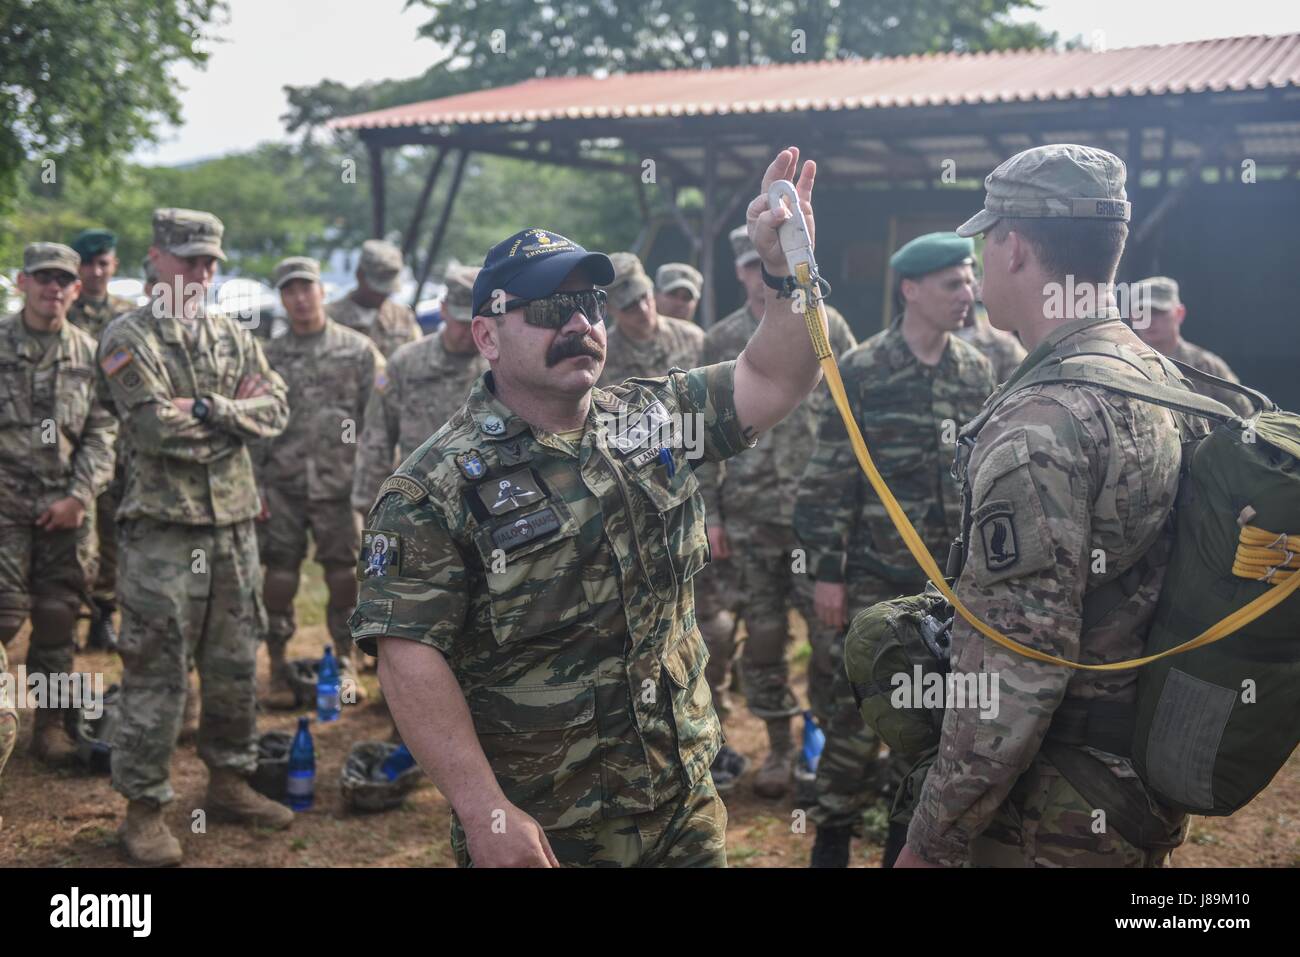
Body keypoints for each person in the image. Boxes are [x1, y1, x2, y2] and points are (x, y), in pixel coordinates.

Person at [351, 149, 833, 867]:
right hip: (551, 827)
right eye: (550, 309)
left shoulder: (658, 416)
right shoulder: (433, 488)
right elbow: (407, 658)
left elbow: (778, 371)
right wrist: (485, 810)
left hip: (682, 799)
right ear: (487, 334)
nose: (579, 322)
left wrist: (786, 266)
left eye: (589, 305)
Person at [896, 145, 1192, 868]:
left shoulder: (1039, 425)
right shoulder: (1160, 376)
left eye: (984, 241)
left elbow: (1015, 669)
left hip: (1049, 811)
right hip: (1134, 789)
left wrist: (931, 841)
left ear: (1014, 246)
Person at [99, 208, 293, 866]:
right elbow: (153, 427)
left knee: (236, 662)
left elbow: (277, 409)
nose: (201, 271)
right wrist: (236, 422)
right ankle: (144, 808)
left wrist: (211, 409)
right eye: (188, 259)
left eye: (210, 260)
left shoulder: (234, 338)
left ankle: (231, 781)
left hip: (233, 526)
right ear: (157, 259)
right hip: (163, 532)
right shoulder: (126, 337)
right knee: (157, 669)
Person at [796, 232, 997, 866]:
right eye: (952, 284)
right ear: (911, 289)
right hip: (873, 577)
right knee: (855, 712)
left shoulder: (978, 369)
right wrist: (827, 575)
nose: (967, 294)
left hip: (948, 587)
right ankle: (830, 835)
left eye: (969, 281)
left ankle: (901, 843)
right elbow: (828, 478)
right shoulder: (861, 369)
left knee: (931, 719)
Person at [700, 224, 856, 800]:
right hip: (750, 516)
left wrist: (849, 506)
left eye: (760, 261)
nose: (753, 270)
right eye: (746, 263)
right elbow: (701, 435)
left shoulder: (828, 324)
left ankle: (820, 743)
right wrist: (713, 514)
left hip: (815, 519)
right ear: (741, 270)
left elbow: (851, 413)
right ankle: (779, 749)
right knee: (764, 640)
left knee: (828, 639)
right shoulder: (720, 338)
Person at [0, 243, 117, 764]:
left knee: (57, 618)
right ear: (23, 282)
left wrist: (78, 495)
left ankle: (49, 727)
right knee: (3, 615)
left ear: (76, 288)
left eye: (63, 280)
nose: (54, 288)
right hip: (3, 503)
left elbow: (103, 432)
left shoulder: (92, 354)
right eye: (43, 278)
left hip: (67, 509)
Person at [255, 256, 384, 709]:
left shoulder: (358, 350)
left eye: (307, 288)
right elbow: (254, 425)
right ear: (282, 298)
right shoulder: (267, 356)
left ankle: (346, 663)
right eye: (290, 290)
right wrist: (255, 485)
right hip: (282, 484)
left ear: (323, 292)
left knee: (344, 575)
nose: (300, 298)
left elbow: (379, 420)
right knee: (280, 574)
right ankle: (275, 665)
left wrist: (371, 484)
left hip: (340, 486)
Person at [352, 264, 487, 512]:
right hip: (419, 503)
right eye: (461, 321)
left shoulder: (500, 365)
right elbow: (377, 438)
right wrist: (370, 504)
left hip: (487, 502)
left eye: (476, 322)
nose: (469, 332)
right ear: (444, 309)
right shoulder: (406, 362)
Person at [68, 228, 137, 650]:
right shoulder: (60, 307)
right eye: (89, 263)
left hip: (117, 440)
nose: (96, 272)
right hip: (68, 439)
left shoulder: (127, 315)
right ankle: (65, 615)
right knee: (72, 534)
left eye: (103, 263)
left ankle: (102, 615)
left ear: (113, 265)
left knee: (111, 532)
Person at [1131, 276, 1254, 418]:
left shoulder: (1206, 367)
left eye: (1158, 311)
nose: (1148, 320)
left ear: (1179, 313)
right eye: (1141, 312)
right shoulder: (1123, 364)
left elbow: (1246, 419)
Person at [596, 252, 704, 388]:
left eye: (644, 296)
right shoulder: (601, 357)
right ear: (609, 308)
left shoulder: (692, 338)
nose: (643, 309)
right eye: (629, 306)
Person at [326, 239, 421, 358]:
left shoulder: (403, 319)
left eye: (388, 289)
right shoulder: (330, 318)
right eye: (377, 287)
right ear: (359, 275)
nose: (382, 294)